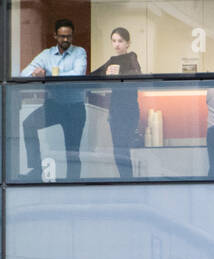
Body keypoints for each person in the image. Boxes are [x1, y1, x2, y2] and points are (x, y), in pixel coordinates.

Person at [20, 18, 88, 180]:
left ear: (72, 36)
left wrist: (49, 75)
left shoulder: (79, 52)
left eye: (69, 37)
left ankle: (73, 183)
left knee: (72, 151)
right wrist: (36, 73)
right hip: (54, 105)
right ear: (55, 36)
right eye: (62, 36)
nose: (66, 40)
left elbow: (77, 75)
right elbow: (24, 73)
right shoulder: (47, 55)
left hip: (74, 108)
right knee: (28, 124)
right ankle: (36, 168)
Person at [90, 27, 142, 180]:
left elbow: (138, 74)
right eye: (114, 41)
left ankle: (127, 180)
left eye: (120, 41)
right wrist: (105, 75)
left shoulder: (132, 57)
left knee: (122, 147)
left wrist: (119, 74)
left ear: (128, 43)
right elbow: (93, 76)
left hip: (129, 110)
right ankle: (126, 179)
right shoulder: (112, 61)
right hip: (116, 110)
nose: (117, 45)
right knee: (118, 149)